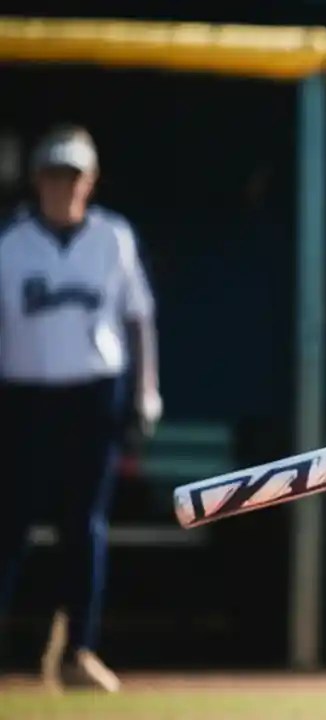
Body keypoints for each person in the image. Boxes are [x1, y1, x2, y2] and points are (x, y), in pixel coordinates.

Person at [0, 124, 162, 692]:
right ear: (36, 179)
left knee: (83, 529)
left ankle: (79, 651)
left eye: (73, 177)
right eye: (53, 175)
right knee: (9, 527)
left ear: (89, 182)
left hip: (92, 397)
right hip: (22, 397)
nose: (62, 187)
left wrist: (147, 392)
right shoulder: (11, 244)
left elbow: (138, 318)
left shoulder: (112, 238)